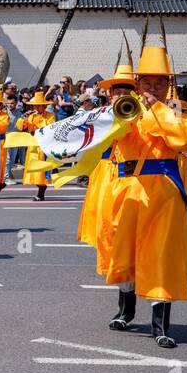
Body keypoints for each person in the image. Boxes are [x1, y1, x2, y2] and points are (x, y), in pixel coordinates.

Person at [104, 44, 187, 348]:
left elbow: (181, 140)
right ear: (138, 84)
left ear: (168, 86)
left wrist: (157, 111)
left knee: (160, 256)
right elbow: (115, 139)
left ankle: (161, 327)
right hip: (130, 189)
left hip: (164, 192)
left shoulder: (173, 113)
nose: (152, 88)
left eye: (159, 83)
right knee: (126, 251)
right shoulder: (129, 110)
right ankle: (125, 312)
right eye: (147, 83)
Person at [80, 64, 135, 252]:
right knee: (103, 214)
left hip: (130, 172)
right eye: (117, 92)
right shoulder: (101, 115)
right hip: (105, 169)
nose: (121, 96)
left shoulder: (139, 115)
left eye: (125, 92)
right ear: (111, 95)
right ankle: (107, 253)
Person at [16, 90, 56, 200]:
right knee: (33, 169)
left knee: (42, 169)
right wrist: (23, 117)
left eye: (39, 106)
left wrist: (37, 120)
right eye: (35, 106)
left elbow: (49, 127)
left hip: (44, 144)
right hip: (33, 144)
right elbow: (20, 127)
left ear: (43, 106)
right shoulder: (30, 116)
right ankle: (41, 188)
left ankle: (41, 192)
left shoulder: (50, 116)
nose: (36, 108)